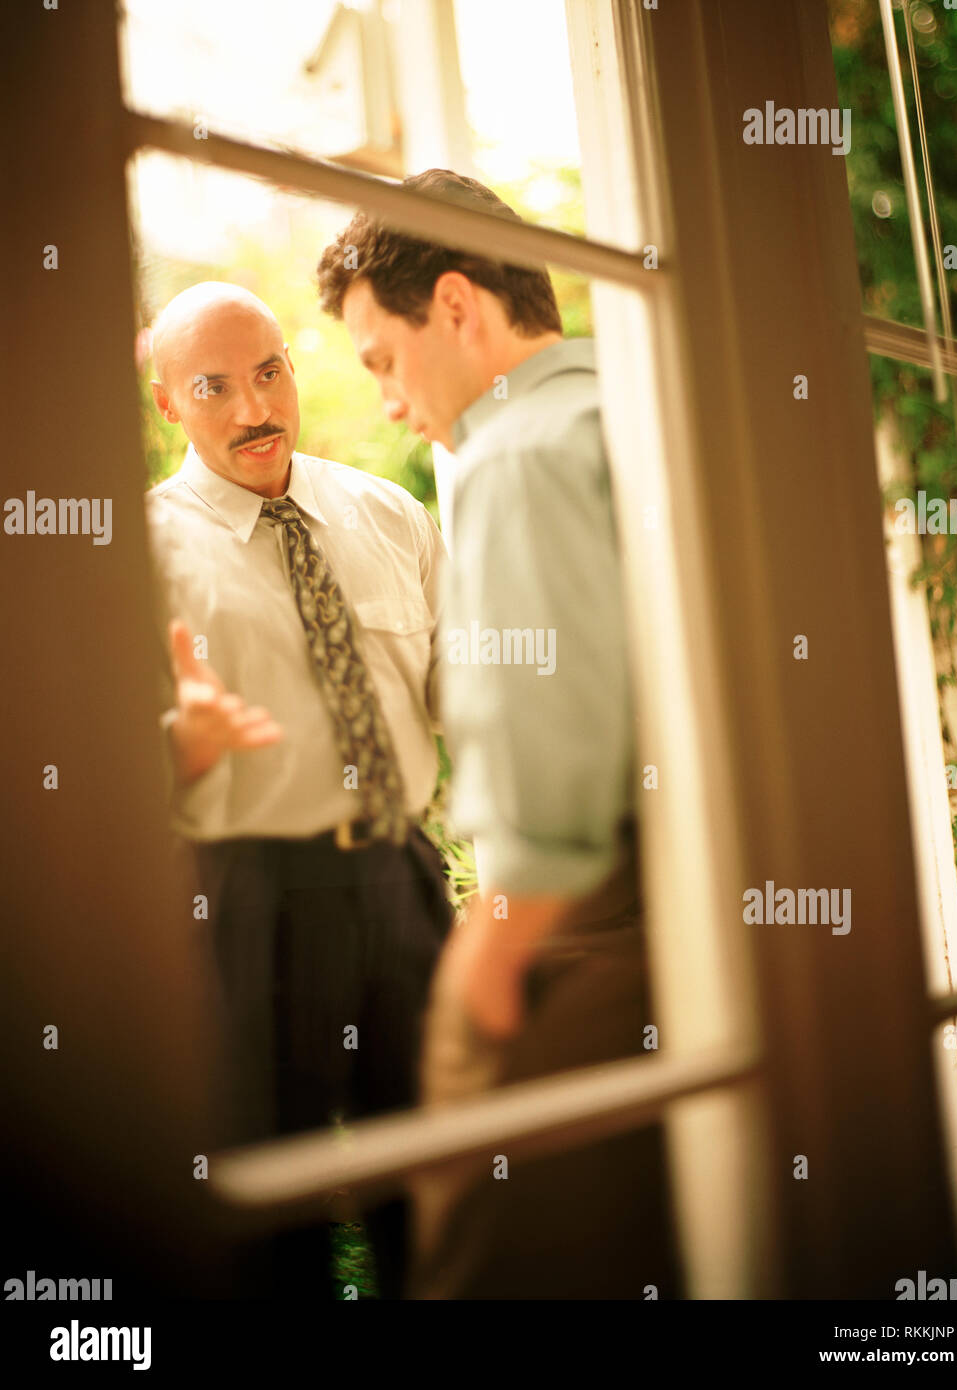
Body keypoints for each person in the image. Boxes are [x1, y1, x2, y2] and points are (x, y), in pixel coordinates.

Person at [316, 171, 682, 1298]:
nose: (382, 399)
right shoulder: (651, 409)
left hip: (569, 939)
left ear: (459, 308)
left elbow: (556, 771)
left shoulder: (519, 457)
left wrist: (487, 955)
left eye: (380, 357)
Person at [145, 281, 453, 1299]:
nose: (253, 409)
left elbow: (469, 700)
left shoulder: (386, 512)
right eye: (214, 387)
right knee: (269, 1212)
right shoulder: (136, 555)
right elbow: (83, 775)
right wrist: (177, 748)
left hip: (402, 880)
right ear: (168, 404)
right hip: (244, 895)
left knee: (437, 1178)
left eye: (269, 371)